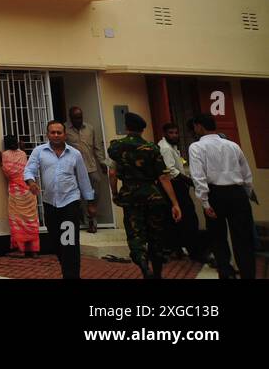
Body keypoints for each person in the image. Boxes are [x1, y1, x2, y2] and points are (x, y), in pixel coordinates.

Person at [107, 112, 183, 279]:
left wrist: (114, 192)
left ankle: (143, 265)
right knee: (156, 236)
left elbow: (112, 173)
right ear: (142, 129)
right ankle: (157, 273)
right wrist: (174, 203)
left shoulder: (117, 148)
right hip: (152, 195)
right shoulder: (152, 148)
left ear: (126, 127)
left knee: (135, 235)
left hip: (130, 196)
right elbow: (164, 177)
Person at [25, 119, 95, 278]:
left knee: (69, 242)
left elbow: (83, 178)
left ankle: (71, 275)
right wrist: (31, 182)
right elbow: (29, 170)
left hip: (70, 203)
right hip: (50, 204)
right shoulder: (39, 151)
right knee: (56, 242)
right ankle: (68, 269)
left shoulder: (75, 154)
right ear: (47, 134)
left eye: (59, 132)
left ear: (65, 135)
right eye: (53, 132)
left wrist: (90, 201)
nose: (56, 135)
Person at [189, 114, 256, 279]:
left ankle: (226, 273)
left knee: (218, 237)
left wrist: (204, 202)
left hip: (215, 194)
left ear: (199, 126)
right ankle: (248, 274)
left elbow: (198, 177)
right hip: (237, 193)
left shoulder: (196, 147)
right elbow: (246, 173)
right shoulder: (233, 145)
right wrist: (247, 193)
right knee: (243, 237)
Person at [157, 122, 206, 263]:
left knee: (177, 219)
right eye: (171, 133)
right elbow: (171, 170)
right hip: (174, 185)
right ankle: (194, 251)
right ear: (165, 134)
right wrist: (189, 181)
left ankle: (177, 248)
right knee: (189, 217)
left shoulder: (172, 147)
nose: (174, 135)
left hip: (178, 184)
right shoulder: (165, 148)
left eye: (176, 132)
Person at [0, 136, 38, 257]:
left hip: (16, 191)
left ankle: (21, 249)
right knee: (31, 221)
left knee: (18, 221)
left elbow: (7, 172)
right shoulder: (23, 154)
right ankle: (32, 249)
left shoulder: (4, 155)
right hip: (28, 190)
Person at [65, 106, 107, 233]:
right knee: (76, 196)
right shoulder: (65, 129)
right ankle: (82, 219)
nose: (79, 120)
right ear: (71, 118)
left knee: (95, 191)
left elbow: (97, 147)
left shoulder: (90, 128)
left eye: (80, 117)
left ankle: (91, 217)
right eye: (76, 118)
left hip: (90, 166)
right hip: (73, 169)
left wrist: (102, 162)